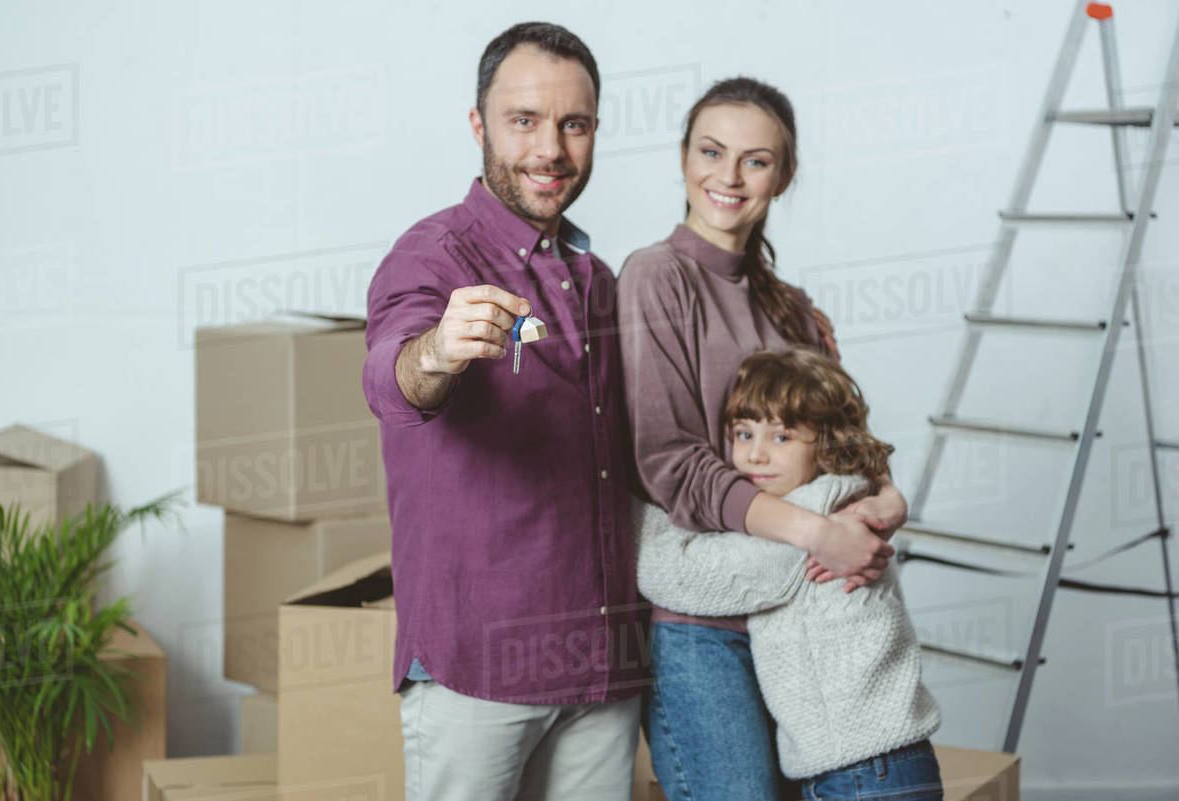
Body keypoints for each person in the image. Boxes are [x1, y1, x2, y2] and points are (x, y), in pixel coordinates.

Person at [362, 22, 647, 801]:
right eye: (524, 120)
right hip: (478, 669)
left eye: (574, 124)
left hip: (601, 665)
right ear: (478, 125)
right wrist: (440, 350)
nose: (550, 148)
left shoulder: (599, 279)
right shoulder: (432, 257)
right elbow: (393, 380)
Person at [616, 76, 908, 800]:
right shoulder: (655, 278)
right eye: (711, 151)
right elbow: (670, 465)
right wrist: (816, 531)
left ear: (785, 174)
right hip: (699, 629)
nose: (729, 176)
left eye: (756, 159)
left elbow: (845, 446)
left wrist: (889, 502)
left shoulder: (794, 309)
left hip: (797, 619)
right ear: (683, 156)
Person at [635, 348, 945, 801]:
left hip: (861, 774)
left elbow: (680, 575)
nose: (756, 455)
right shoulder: (849, 496)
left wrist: (629, 499)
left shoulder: (812, 516)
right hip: (883, 765)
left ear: (826, 442)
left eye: (781, 439)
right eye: (743, 434)